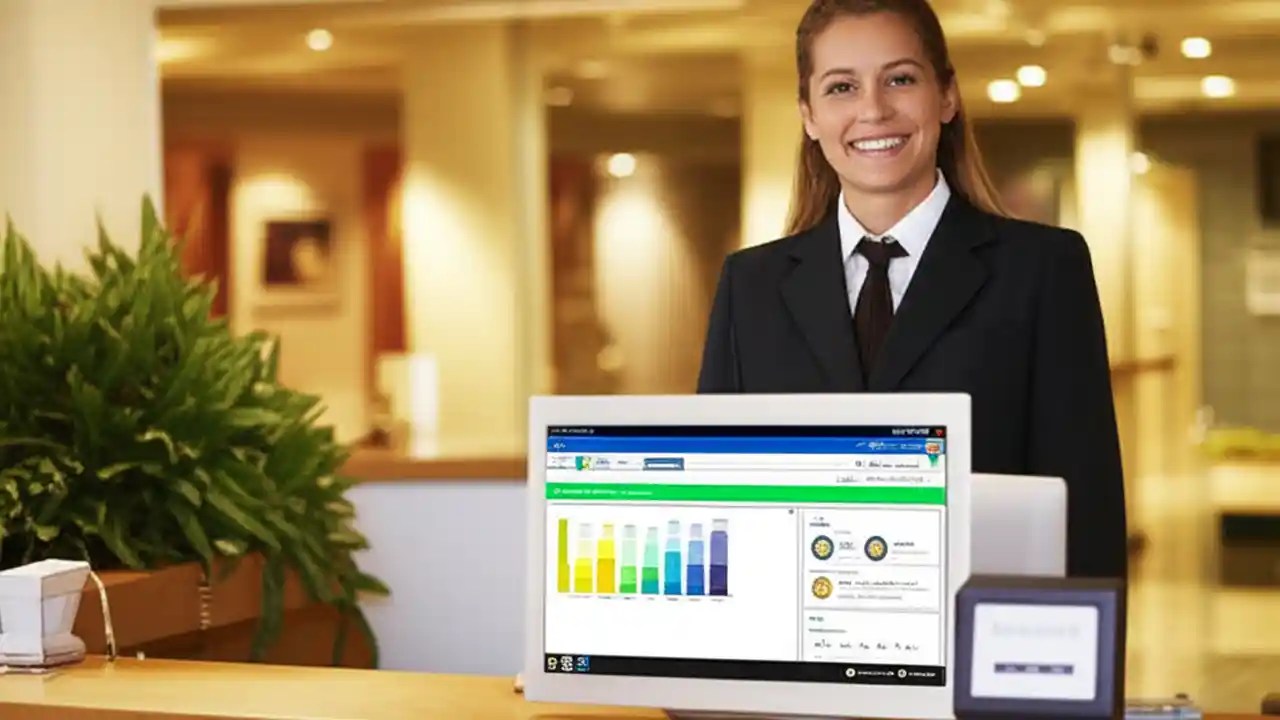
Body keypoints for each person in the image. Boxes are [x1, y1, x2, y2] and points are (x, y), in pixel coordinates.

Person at [696, 0, 1127, 580]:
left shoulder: (1043, 271)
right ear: (808, 114)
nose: (873, 109)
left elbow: (1087, 513)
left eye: (900, 79)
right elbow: (714, 508)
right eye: (841, 87)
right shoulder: (751, 287)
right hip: (803, 655)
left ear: (946, 95)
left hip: (980, 646)